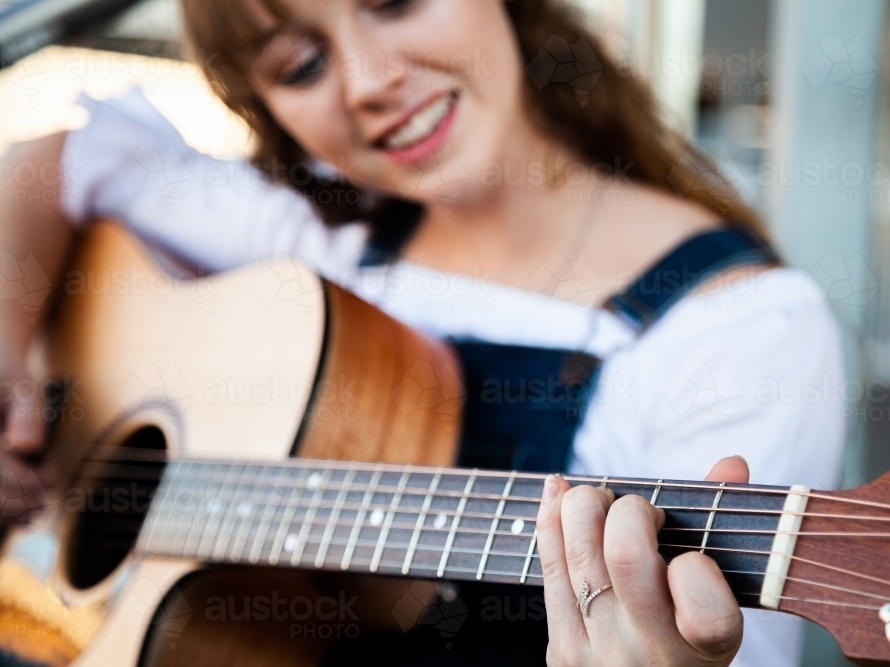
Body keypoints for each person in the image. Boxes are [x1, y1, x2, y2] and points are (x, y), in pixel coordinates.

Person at [0, 0, 846, 664]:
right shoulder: (318, 237)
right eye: (300, 65)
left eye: (397, 0)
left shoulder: (739, 329)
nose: (367, 80)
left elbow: (730, 641)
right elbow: (57, 158)